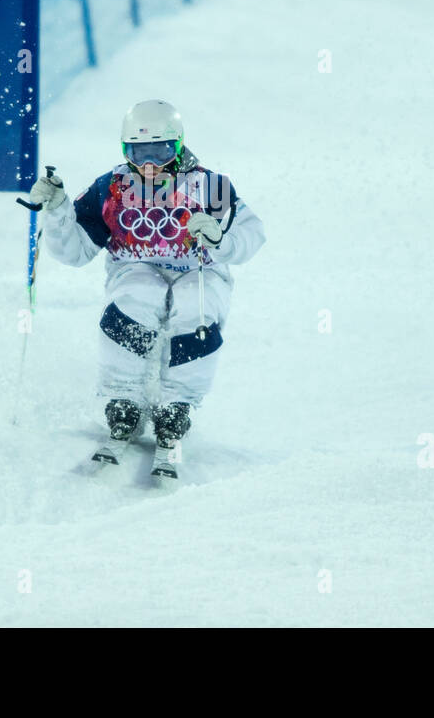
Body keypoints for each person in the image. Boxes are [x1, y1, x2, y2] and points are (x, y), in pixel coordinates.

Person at [28, 100, 265, 478]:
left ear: (179, 145)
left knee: (195, 306)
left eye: (161, 150)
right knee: (136, 298)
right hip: (135, 266)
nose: (150, 164)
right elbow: (75, 252)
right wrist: (57, 212)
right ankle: (124, 397)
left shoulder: (211, 186)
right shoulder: (112, 187)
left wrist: (221, 240)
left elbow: (252, 234)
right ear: (126, 150)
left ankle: (178, 406)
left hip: (200, 269)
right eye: (139, 152)